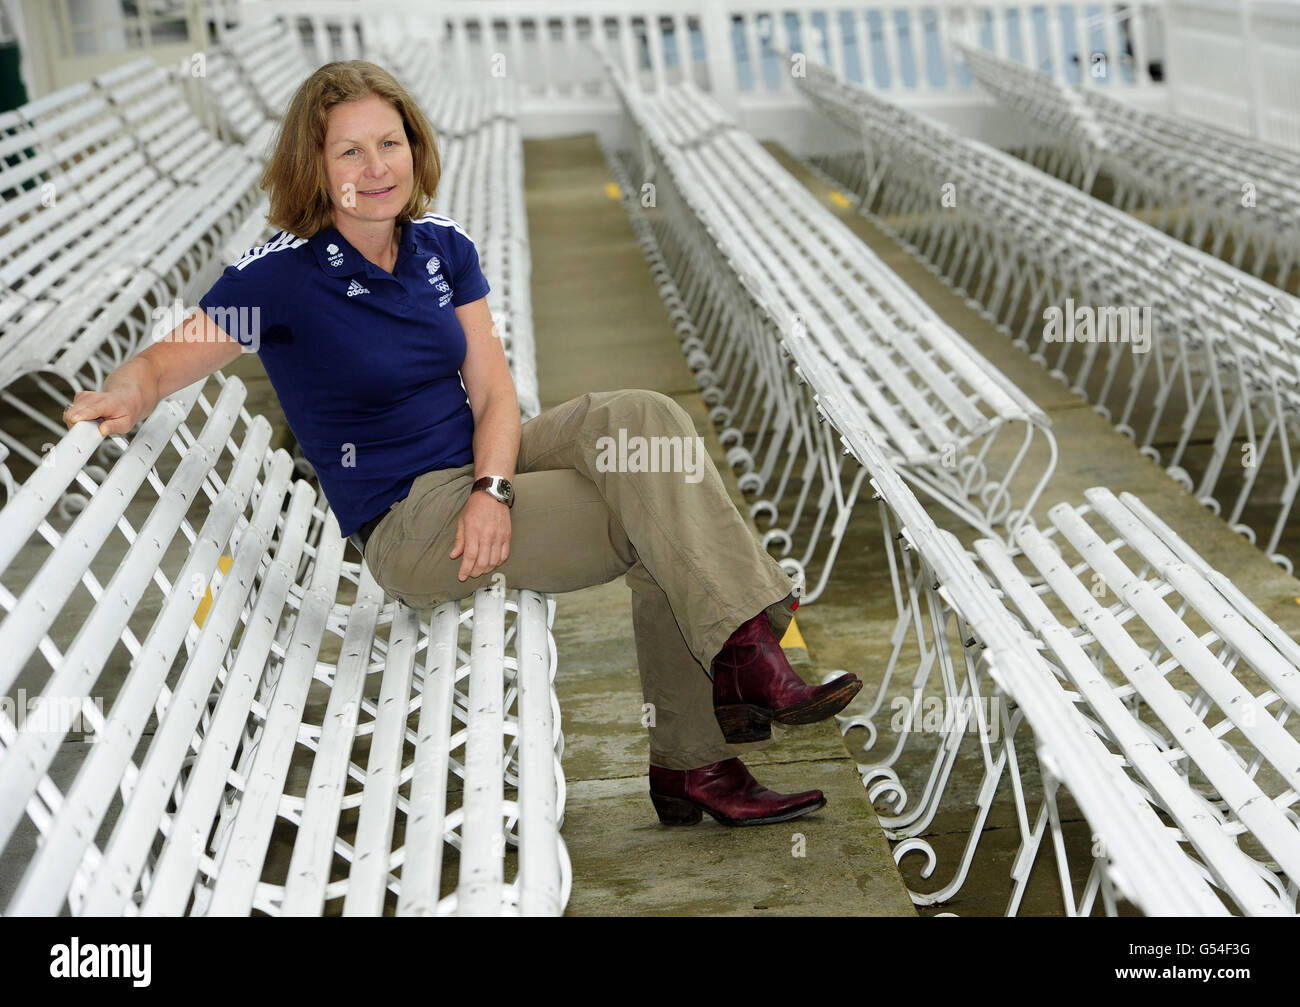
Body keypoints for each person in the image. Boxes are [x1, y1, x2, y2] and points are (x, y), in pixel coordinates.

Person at [62, 61, 861, 827]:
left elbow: (494, 394)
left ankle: (737, 671)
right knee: (654, 515)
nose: (377, 166)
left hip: (478, 472)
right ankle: (715, 721)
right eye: (350, 150)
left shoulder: (439, 246)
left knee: (645, 426)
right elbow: (171, 357)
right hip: (411, 520)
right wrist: (130, 391)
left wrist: (494, 486)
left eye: (391, 142)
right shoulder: (282, 276)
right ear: (314, 164)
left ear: (415, 146)